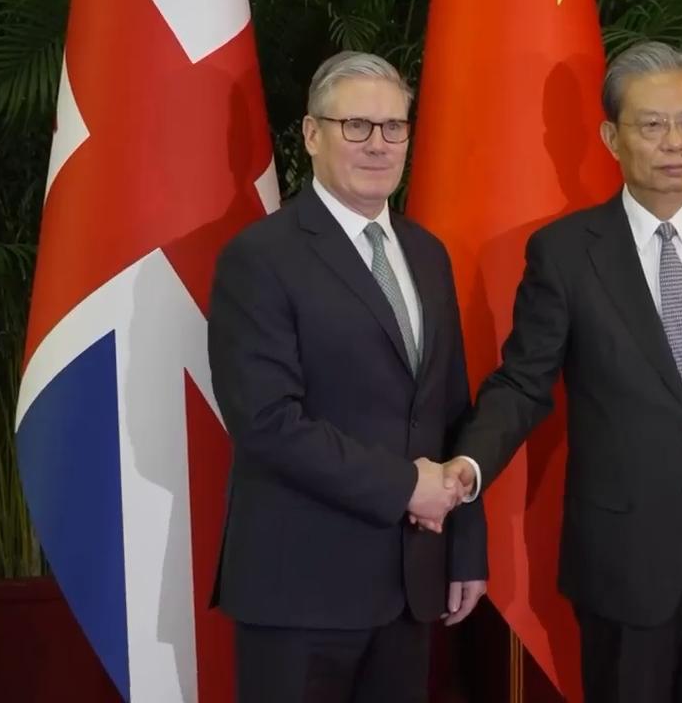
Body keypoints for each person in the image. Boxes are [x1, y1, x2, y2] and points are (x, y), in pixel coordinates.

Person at [441, 41, 682, 702]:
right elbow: (523, 383)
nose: (675, 142)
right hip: (623, 552)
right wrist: (467, 467)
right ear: (612, 137)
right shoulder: (565, 254)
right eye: (652, 125)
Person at [207, 51, 487, 703]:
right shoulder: (260, 259)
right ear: (312, 134)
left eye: (394, 127)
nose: (379, 144)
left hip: (409, 587)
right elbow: (268, 424)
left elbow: (452, 411)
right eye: (356, 126)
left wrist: (466, 550)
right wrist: (405, 487)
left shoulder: (426, 253)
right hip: (299, 590)